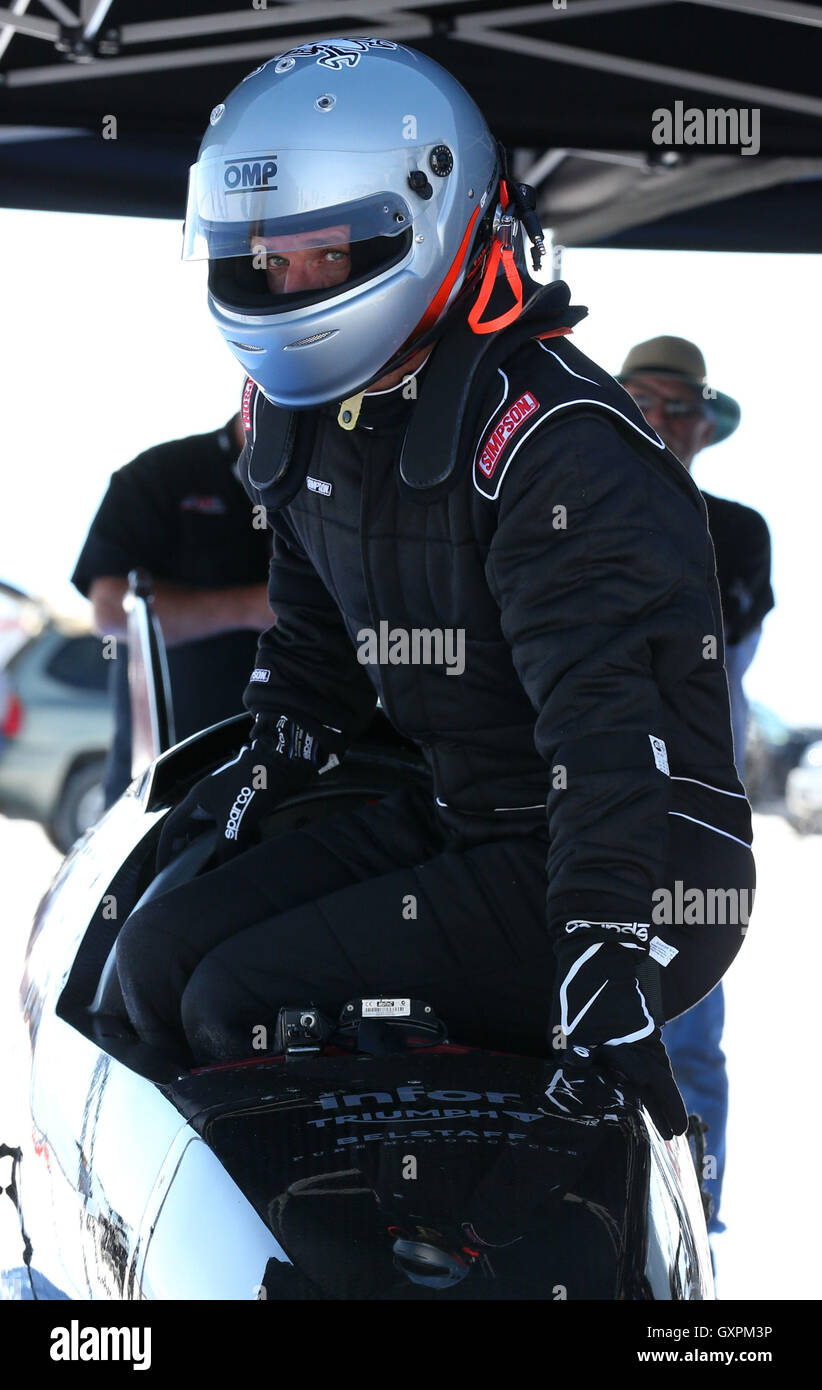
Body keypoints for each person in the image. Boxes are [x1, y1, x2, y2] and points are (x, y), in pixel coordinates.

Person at [115, 38, 755, 1145]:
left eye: (319, 251)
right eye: (261, 255)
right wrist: (273, 753)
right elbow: (313, 615)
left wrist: (602, 950)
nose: (287, 282)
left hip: (631, 863)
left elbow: (609, 727)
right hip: (466, 815)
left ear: (417, 220)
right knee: (153, 956)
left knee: (240, 1000)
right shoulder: (303, 401)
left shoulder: (555, 442)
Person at [618, 335, 774, 1230]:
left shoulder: (738, 531)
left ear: (705, 427)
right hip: (576, 795)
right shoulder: (556, 504)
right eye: (646, 400)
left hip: (697, 811)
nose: (665, 422)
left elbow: (715, 652)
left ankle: (692, 1229)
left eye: (683, 408)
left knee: (690, 1023)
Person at [71, 414, 272, 804]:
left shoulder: (328, 481)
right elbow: (110, 611)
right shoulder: (159, 475)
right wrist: (254, 606)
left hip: (301, 779)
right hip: (162, 787)